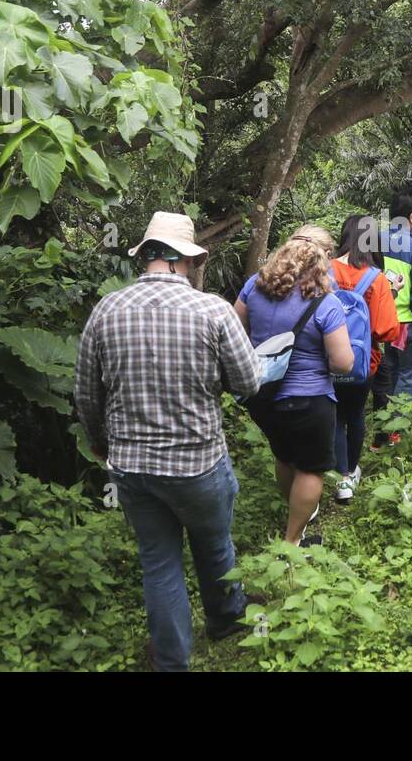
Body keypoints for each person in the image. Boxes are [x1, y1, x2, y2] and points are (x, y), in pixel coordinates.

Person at [74, 211, 261, 670]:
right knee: (214, 545)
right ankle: (225, 620)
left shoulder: (107, 310)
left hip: (133, 466)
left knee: (159, 562)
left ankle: (173, 661)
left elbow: (85, 392)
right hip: (199, 463)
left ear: (148, 258)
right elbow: (249, 382)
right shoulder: (213, 310)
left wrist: (101, 442)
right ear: (184, 260)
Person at [234, 225, 352, 547]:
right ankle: (292, 540)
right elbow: (343, 362)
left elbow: (233, 333)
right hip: (309, 400)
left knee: (284, 457)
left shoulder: (252, 288)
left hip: (263, 396)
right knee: (311, 469)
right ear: (324, 258)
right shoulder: (325, 302)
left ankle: (294, 513)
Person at [330, 215, 400, 503]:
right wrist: (391, 295)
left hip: (328, 360)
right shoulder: (376, 278)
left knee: (334, 418)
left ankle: (336, 471)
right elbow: (386, 330)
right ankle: (347, 478)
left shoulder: (326, 270)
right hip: (363, 363)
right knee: (355, 414)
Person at [372, 192, 412, 447]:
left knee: (388, 374)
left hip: (384, 323)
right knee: (408, 377)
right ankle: (396, 433)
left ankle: (382, 430)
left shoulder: (375, 241)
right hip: (409, 325)